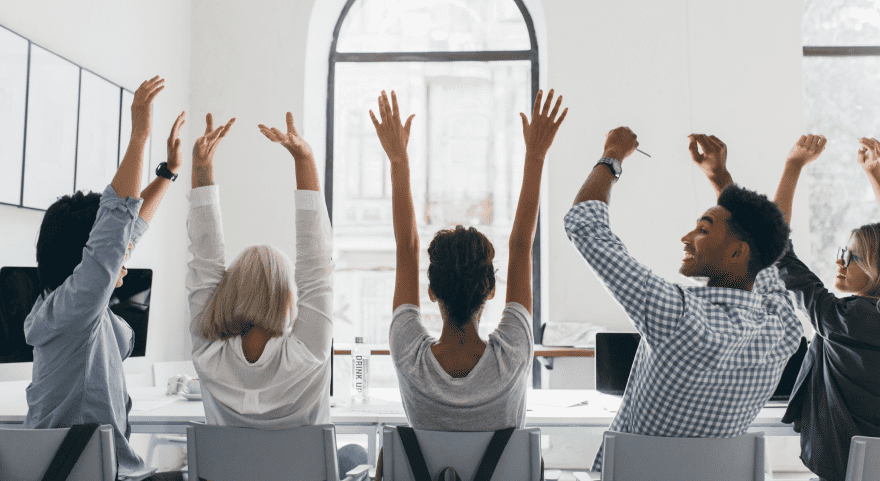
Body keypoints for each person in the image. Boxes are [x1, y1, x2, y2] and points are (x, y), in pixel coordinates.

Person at [564, 128, 802, 476]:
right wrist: (722, 181)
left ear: (736, 252)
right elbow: (763, 262)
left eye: (703, 230)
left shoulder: (676, 315)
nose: (686, 237)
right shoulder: (784, 332)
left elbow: (585, 226)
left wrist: (612, 156)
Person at [371, 89, 567, 479]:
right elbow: (521, 245)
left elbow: (407, 246)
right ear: (490, 291)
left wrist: (398, 159)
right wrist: (536, 156)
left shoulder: (407, 352)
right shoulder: (513, 354)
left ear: (431, 292)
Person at [185, 111, 366, 478]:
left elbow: (204, 257)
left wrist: (202, 167)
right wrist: (304, 160)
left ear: (229, 293)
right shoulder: (309, 352)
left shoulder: (207, 354)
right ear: (288, 298)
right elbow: (316, 263)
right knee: (354, 453)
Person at [24, 76, 185, 481]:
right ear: (88, 260)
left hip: (87, 467)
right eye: (112, 259)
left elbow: (126, 233)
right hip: (86, 472)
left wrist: (167, 174)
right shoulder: (76, 310)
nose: (123, 263)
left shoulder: (60, 306)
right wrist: (139, 135)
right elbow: (114, 234)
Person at [770, 134, 880, 481]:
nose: (840, 262)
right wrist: (875, 178)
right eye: (840, 253)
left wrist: (793, 166)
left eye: (850, 256)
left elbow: (777, 248)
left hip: (839, 468)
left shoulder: (841, 319)